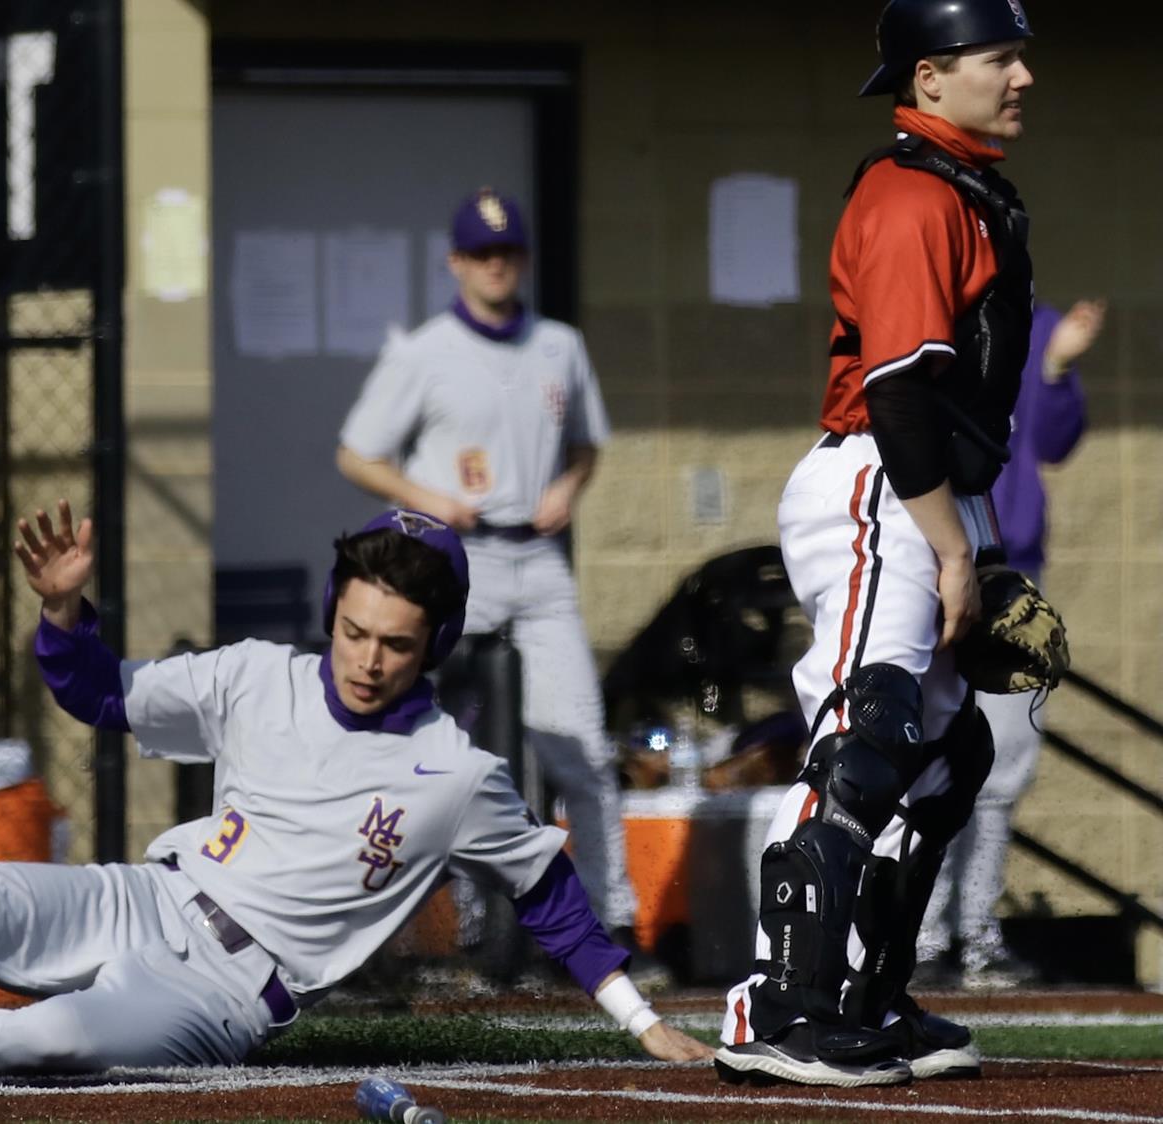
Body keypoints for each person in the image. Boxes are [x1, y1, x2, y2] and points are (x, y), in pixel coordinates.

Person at [0, 503, 711, 1076]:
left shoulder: (459, 772)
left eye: (394, 640)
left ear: (434, 645)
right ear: (331, 606)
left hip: (221, 996)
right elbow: (100, 696)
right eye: (351, 626)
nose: (366, 655)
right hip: (143, 894)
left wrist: (633, 1015)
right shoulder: (256, 672)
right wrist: (65, 616)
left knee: (47, 1039)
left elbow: (545, 888)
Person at [713, 0, 1038, 1089]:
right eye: (1000, 57)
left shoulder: (966, 188)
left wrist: (966, 543)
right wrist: (954, 548)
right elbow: (896, 389)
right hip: (877, 483)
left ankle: (863, 994)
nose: (1021, 75)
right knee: (868, 728)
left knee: (951, 759)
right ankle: (774, 1001)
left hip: (925, 494)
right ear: (931, 76)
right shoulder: (908, 193)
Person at [335, 189, 647, 968]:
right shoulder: (425, 351)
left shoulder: (559, 346)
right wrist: (426, 499)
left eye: (505, 253)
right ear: (455, 262)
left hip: (536, 561)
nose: (494, 266)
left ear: (525, 260)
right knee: (450, 753)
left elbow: (586, 445)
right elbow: (357, 452)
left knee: (580, 745)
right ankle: (467, 925)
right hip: (452, 563)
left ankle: (611, 921)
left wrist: (567, 491)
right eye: (480, 253)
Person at [916, 299, 1099, 988]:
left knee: (1005, 763)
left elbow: (1054, 441)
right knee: (926, 752)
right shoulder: (926, 313)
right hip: (935, 553)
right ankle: (921, 933)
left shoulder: (1036, 321)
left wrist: (1055, 365)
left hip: (1012, 562)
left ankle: (975, 932)